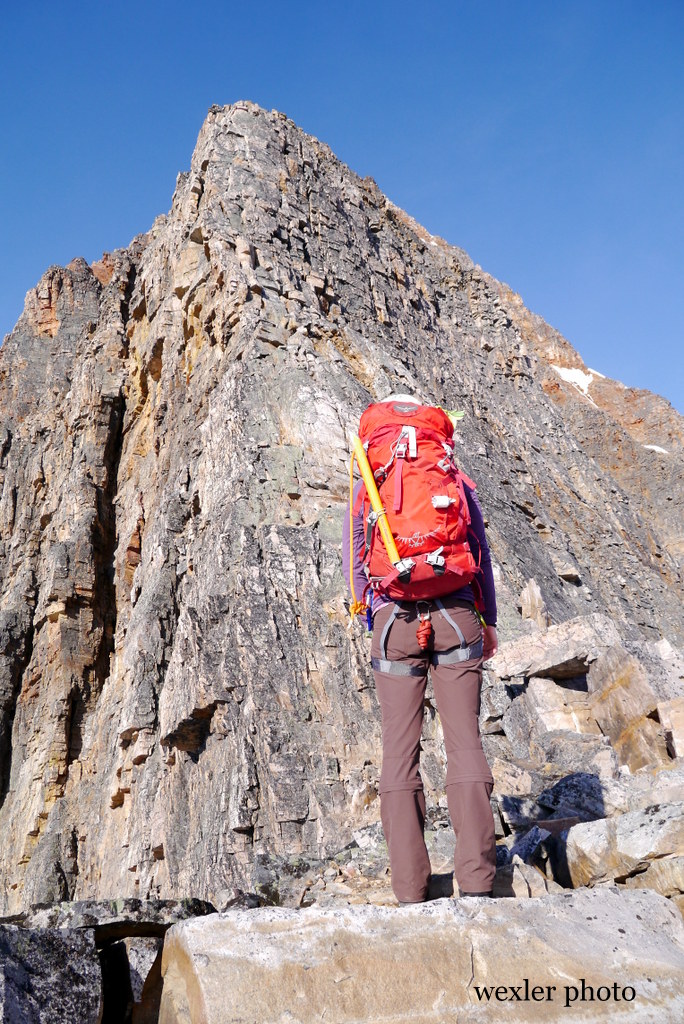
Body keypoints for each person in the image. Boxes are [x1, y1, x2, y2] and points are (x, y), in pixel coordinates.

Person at [342, 395, 499, 904]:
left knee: (398, 753)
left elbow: (354, 559)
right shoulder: (448, 474)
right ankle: (476, 884)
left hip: (395, 621)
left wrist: (374, 612)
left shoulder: (372, 476)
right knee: (464, 745)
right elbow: (478, 546)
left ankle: (410, 890)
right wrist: (487, 621)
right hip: (457, 617)